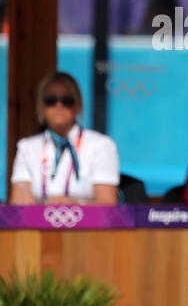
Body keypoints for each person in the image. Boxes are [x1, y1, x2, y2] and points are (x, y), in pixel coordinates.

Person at [9, 72, 120, 206]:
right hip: (37, 226)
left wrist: (72, 203)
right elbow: (18, 203)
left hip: (87, 226)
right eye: (51, 100)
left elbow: (107, 204)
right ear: (41, 106)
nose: (59, 105)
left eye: (67, 100)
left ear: (77, 105)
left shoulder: (102, 145)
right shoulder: (26, 147)